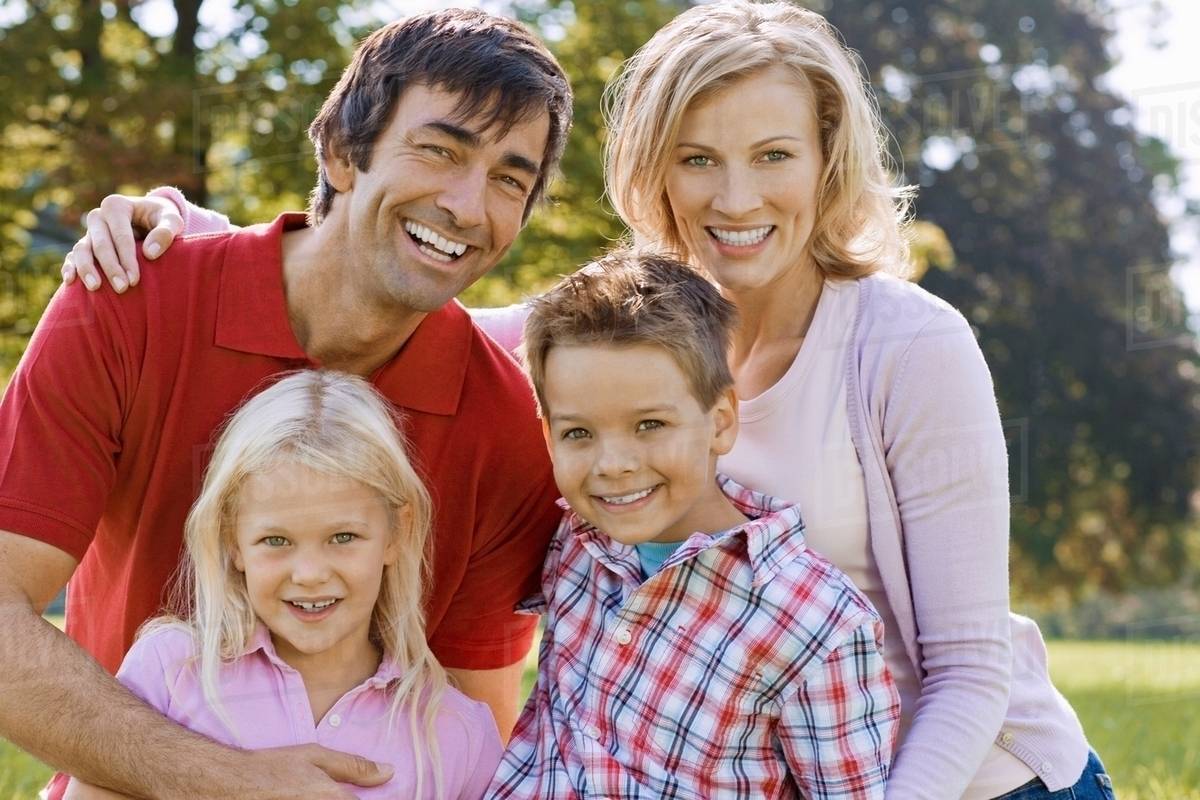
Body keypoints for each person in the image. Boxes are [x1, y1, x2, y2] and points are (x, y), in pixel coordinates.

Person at [63, 2, 1118, 799]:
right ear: (651, 171)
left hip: (970, 776)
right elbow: (408, 306)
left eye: (774, 156)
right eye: (697, 159)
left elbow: (970, 670)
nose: (736, 197)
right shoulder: (598, 336)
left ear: (826, 163)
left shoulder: (905, 346)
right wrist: (186, 230)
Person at [0, 8, 571, 800]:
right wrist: (223, 781)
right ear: (341, 151)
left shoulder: (506, 427)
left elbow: (464, 732)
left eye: (509, 177)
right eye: (440, 150)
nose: (469, 207)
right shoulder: (128, 301)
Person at [490, 250, 898, 799]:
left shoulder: (815, 623)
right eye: (579, 434)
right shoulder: (574, 546)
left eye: (650, 425)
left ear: (721, 422)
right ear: (549, 438)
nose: (613, 465)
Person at [64, 370, 504, 800]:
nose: (309, 574)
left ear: (397, 533)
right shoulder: (171, 672)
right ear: (231, 540)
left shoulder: (455, 732)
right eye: (276, 540)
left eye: (343, 537)